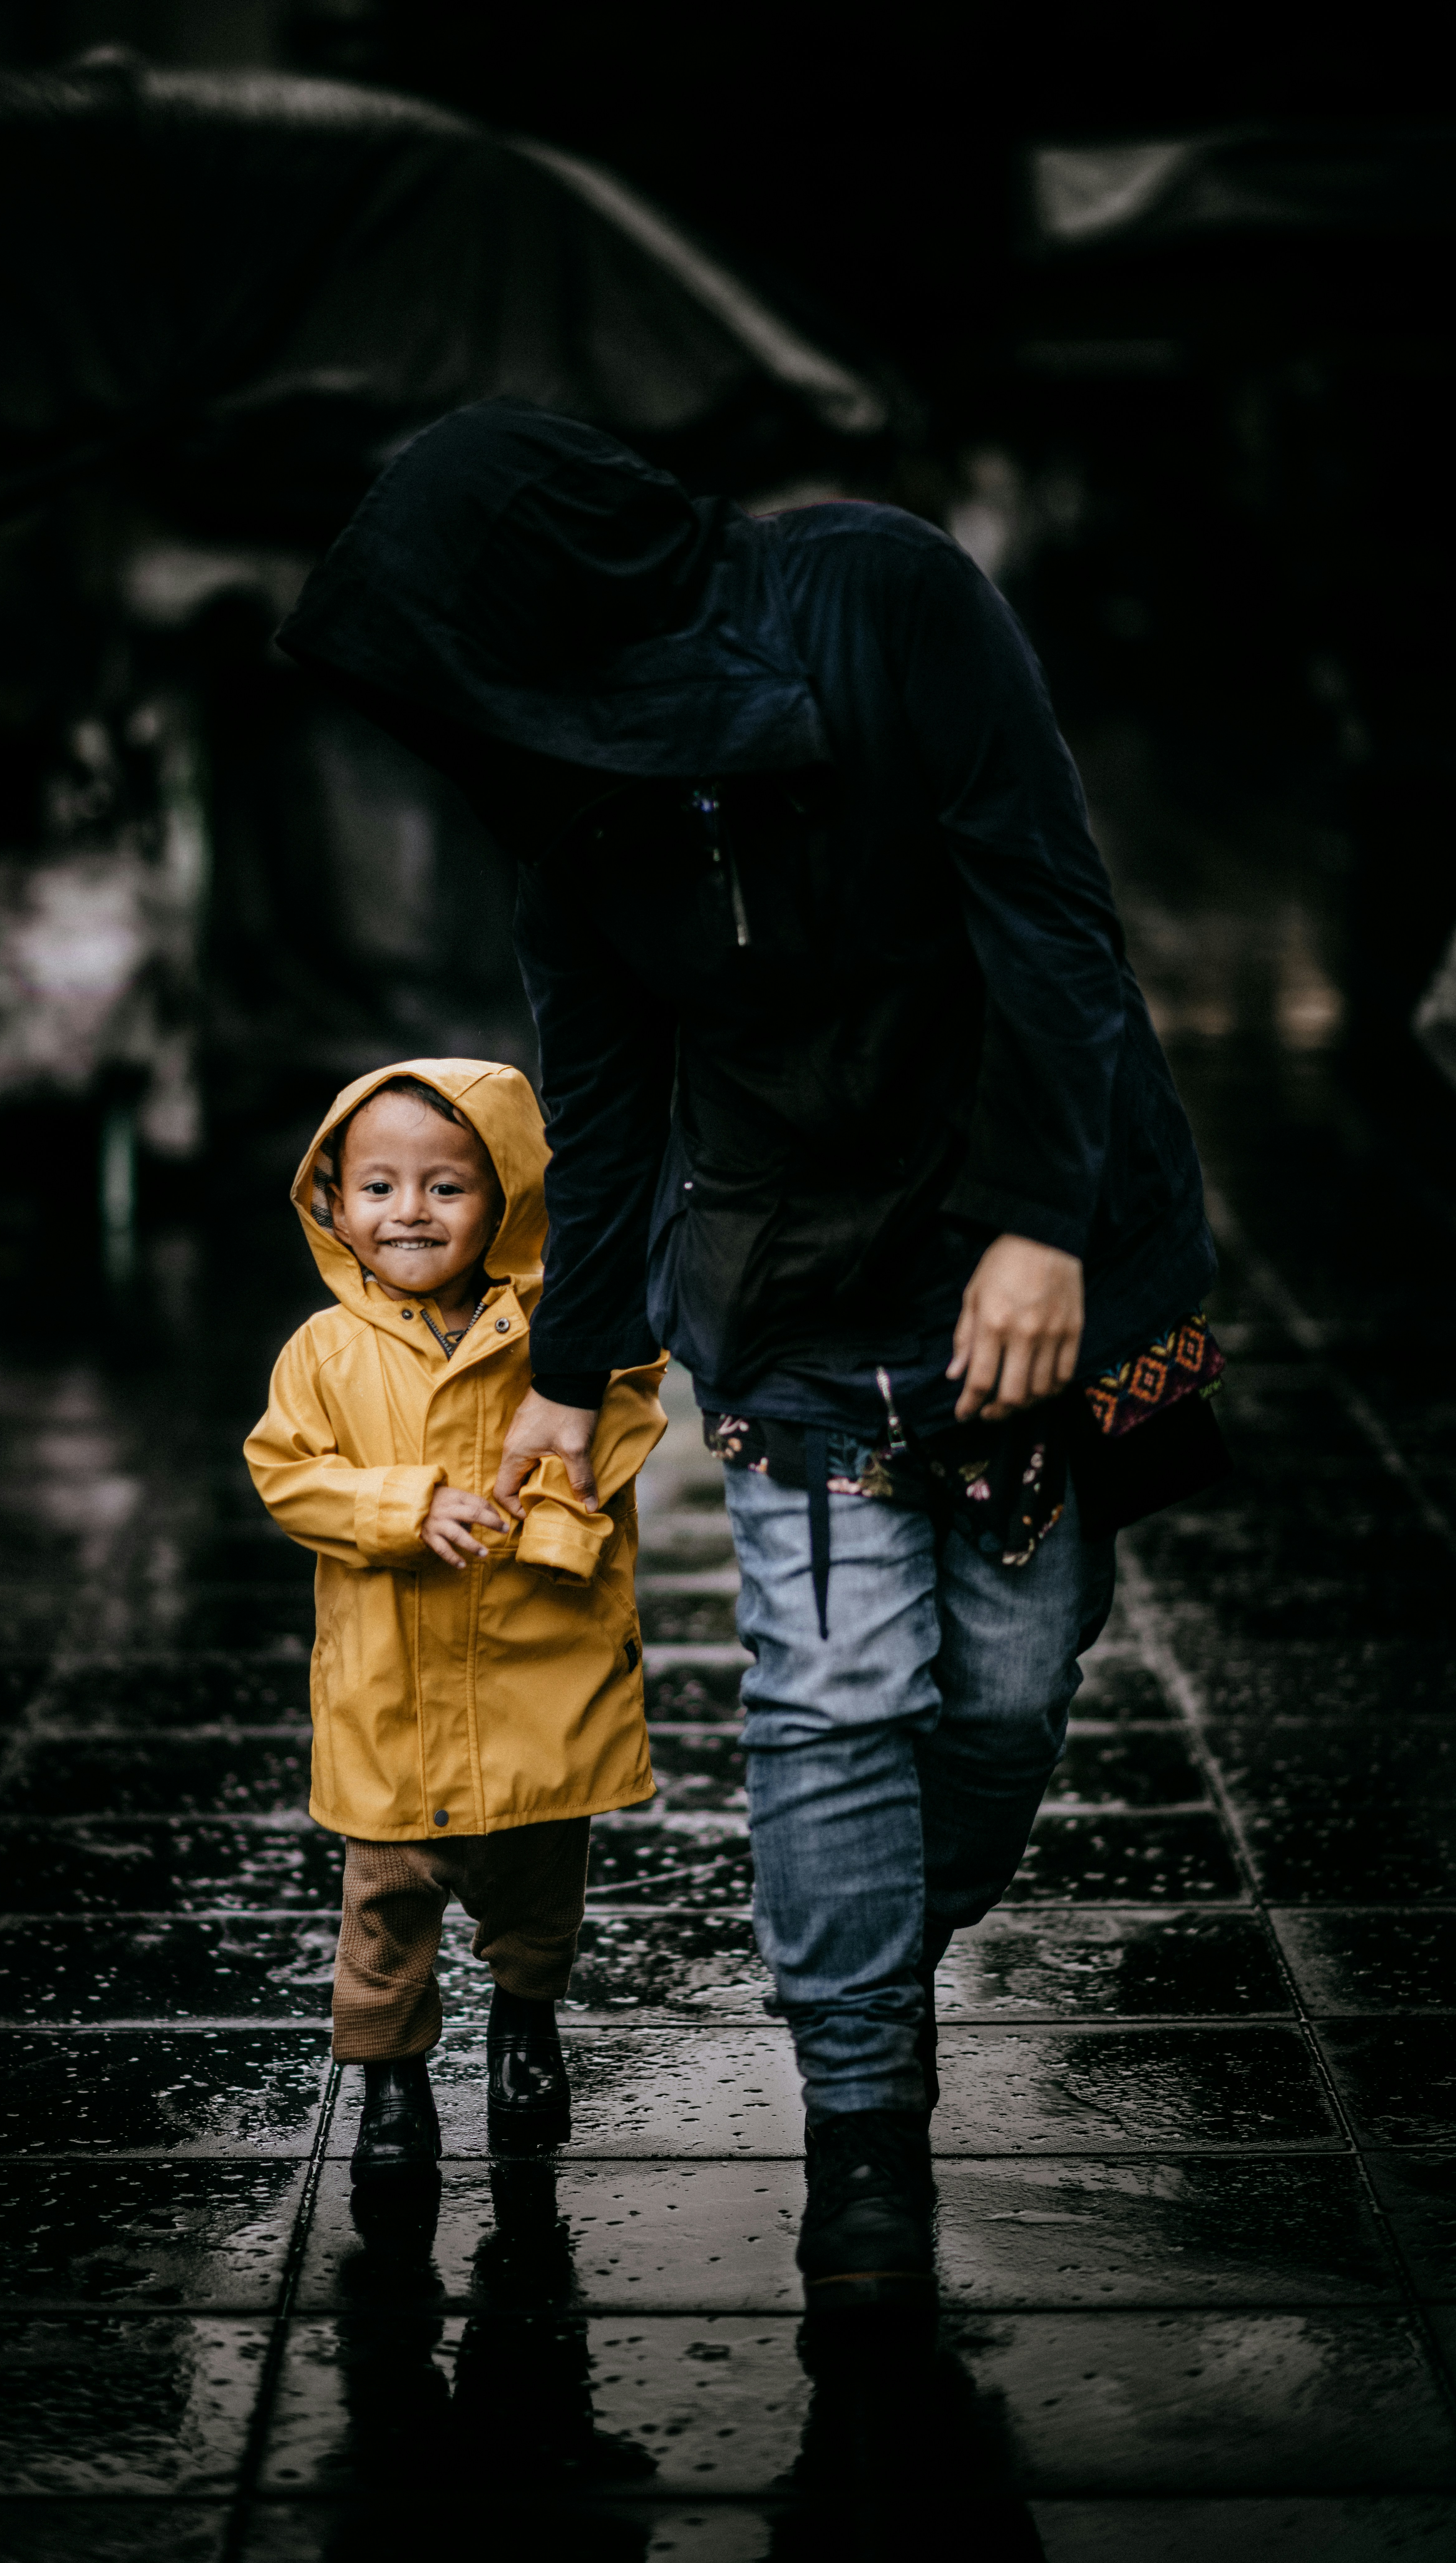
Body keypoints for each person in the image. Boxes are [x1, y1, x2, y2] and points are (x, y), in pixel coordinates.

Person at [275, 406, 1227, 2306]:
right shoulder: (570, 792)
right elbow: (612, 1089)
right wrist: (571, 1364)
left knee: (1009, 1702)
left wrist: (1044, 1223)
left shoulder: (883, 595)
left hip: (1031, 1240)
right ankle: (862, 2133)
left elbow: (1052, 921)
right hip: (793, 1286)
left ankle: (864, 1945)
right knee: (831, 1695)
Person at [245, 1058, 666, 2176]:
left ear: (511, 1197)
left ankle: (526, 2024)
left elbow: (622, 1419)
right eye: (378, 1188)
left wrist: (552, 1510)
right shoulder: (323, 1353)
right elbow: (286, 1474)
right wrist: (402, 1504)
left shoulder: (560, 1334)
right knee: (385, 1905)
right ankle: (390, 2079)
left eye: (447, 1186)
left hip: (539, 1661)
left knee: (539, 1879)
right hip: (394, 1684)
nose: (410, 1214)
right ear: (333, 1202)